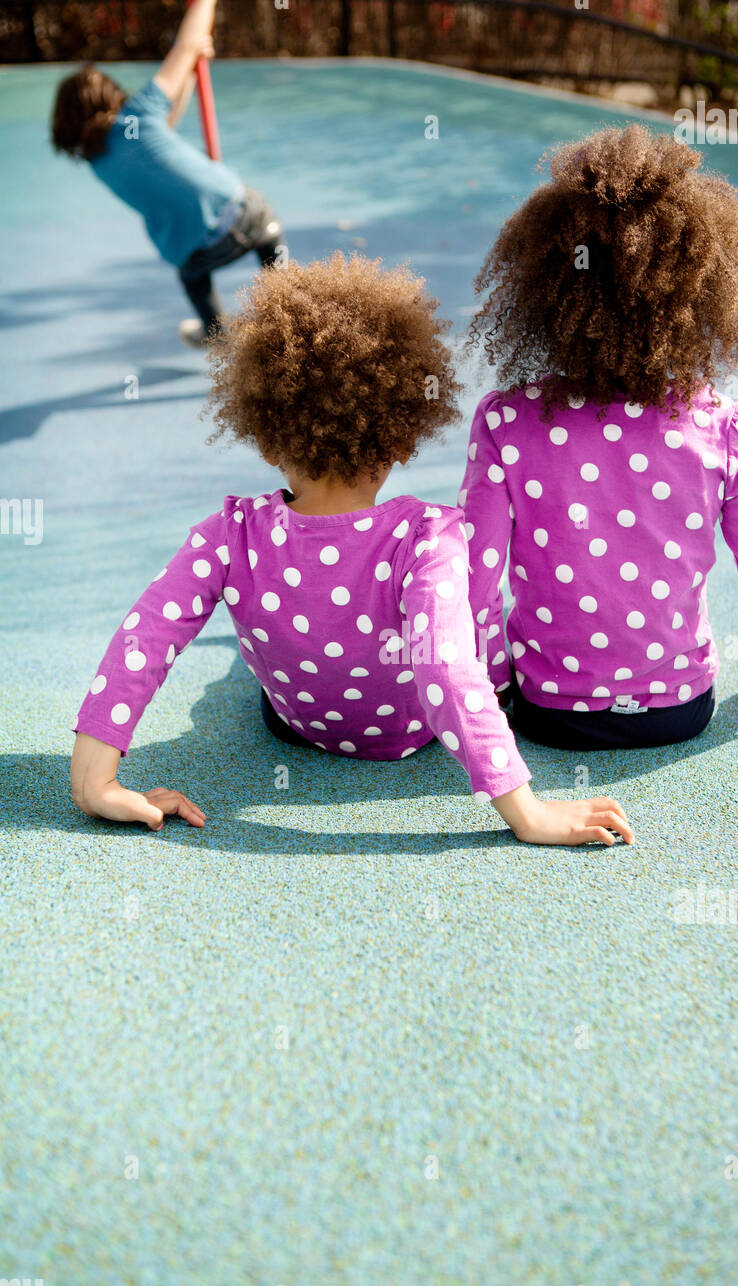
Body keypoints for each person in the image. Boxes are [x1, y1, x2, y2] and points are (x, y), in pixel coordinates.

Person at [70, 253, 634, 848]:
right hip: (413, 731)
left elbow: (147, 635)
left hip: (299, 725)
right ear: (400, 439)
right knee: (473, 632)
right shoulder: (430, 538)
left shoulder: (228, 533)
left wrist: (94, 784)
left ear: (266, 438)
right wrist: (529, 813)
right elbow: (443, 663)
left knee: (246, 656)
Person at [460, 124, 738, 752]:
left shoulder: (507, 425)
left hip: (548, 712)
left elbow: (474, 580)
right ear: (700, 293)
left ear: (546, 291)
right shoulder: (727, 430)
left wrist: (493, 682)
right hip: (680, 712)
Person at [50, 0, 283, 346]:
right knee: (267, 229)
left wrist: (189, 72)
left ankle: (216, 332)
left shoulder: (99, 161)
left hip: (197, 254)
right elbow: (186, 44)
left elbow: (166, 122)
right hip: (243, 220)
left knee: (192, 277)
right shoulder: (137, 116)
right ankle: (285, 300)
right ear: (112, 96)